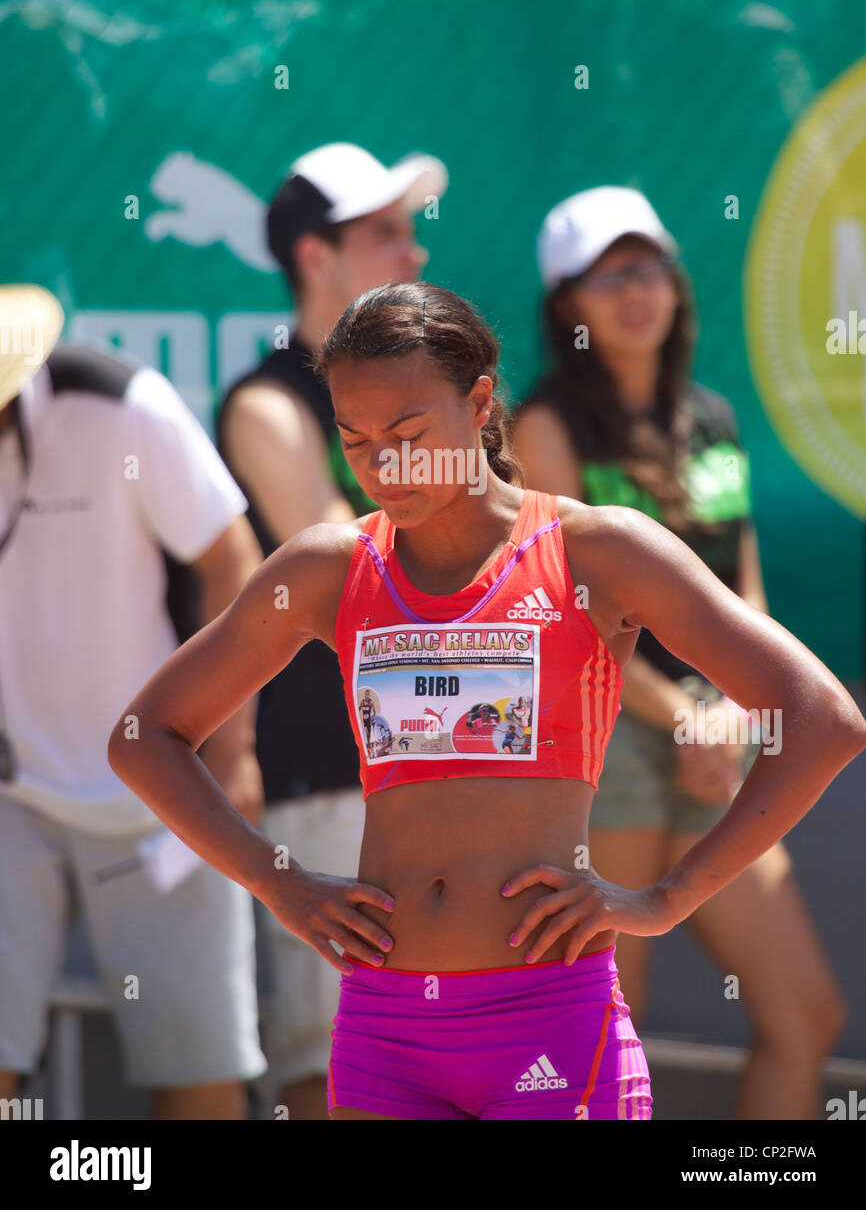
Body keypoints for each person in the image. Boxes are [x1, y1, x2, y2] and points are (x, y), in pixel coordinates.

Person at [108, 280, 865, 1122]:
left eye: (407, 434)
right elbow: (145, 737)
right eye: (354, 441)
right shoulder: (328, 568)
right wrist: (277, 880)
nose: (382, 467)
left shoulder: (593, 550)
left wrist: (665, 900)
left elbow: (823, 719)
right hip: (382, 1034)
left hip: (552, 1022)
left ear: (478, 403)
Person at [510, 186, 848, 1119]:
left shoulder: (713, 417)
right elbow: (571, 604)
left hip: (716, 737)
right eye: (610, 274)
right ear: (565, 304)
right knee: (611, 1019)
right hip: (605, 735)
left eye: (650, 265)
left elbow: (745, 592)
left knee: (805, 1015)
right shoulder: (543, 427)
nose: (637, 291)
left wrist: (738, 708)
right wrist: (687, 712)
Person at [216, 141, 447, 1120]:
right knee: (332, 1070)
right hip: (322, 784)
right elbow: (362, 578)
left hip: (437, 773)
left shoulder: (428, 398)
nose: (413, 254)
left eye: (409, 230)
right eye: (383, 233)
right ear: (315, 257)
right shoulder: (266, 405)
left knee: (445, 1054)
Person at [0, 285, 266, 1120]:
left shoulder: (123, 407)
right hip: (9, 797)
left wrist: (228, 753)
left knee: (198, 1065)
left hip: (162, 790)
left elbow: (234, 565)